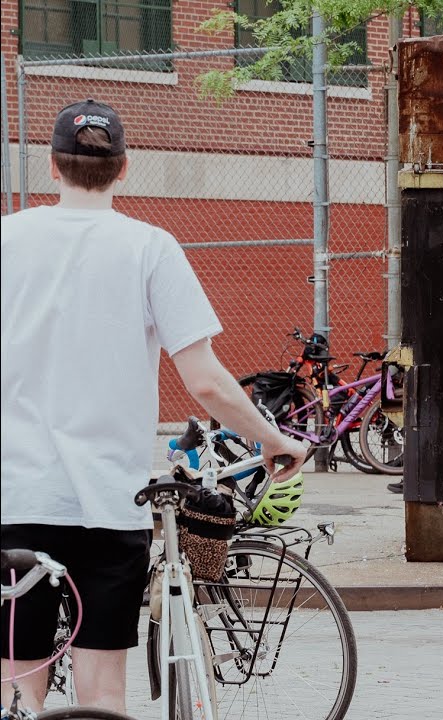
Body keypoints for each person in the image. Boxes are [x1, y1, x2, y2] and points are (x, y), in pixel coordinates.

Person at [1, 99, 309, 713]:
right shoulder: (150, 248)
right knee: (103, 692)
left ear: (51, 167)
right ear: (123, 169)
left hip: (17, 496)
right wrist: (274, 439)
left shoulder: (8, 239)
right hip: (108, 505)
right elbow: (208, 384)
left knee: (15, 686)